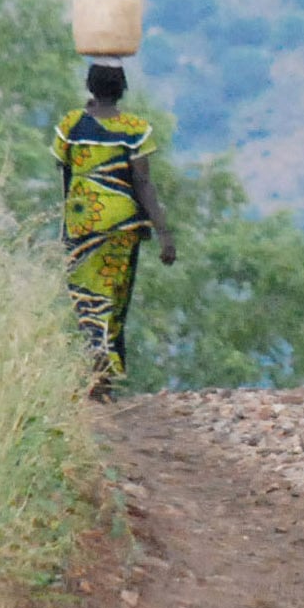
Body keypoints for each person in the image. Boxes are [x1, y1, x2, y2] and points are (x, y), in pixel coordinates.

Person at [51, 62, 176, 398]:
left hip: (82, 220)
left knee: (86, 295)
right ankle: (104, 368)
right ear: (122, 89)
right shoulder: (134, 129)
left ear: (89, 86)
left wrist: (69, 221)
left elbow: (65, 174)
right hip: (123, 224)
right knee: (114, 292)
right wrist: (161, 231)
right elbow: (144, 183)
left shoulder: (71, 125)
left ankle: (95, 361)